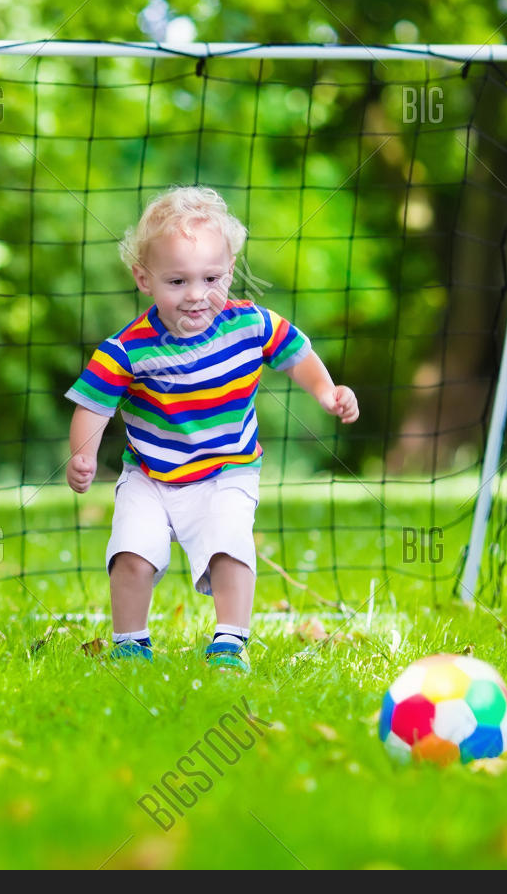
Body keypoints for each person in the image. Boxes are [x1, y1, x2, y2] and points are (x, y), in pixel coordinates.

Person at [66, 186, 359, 672]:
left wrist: (327, 392)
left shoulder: (251, 325)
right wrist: (83, 454)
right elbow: (93, 405)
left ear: (231, 268)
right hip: (151, 477)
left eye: (212, 277)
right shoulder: (127, 349)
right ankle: (130, 643)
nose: (197, 294)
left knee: (230, 548)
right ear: (144, 278)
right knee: (130, 556)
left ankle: (230, 640)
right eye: (177, 281)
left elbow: (297, 355)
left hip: (229, 471)